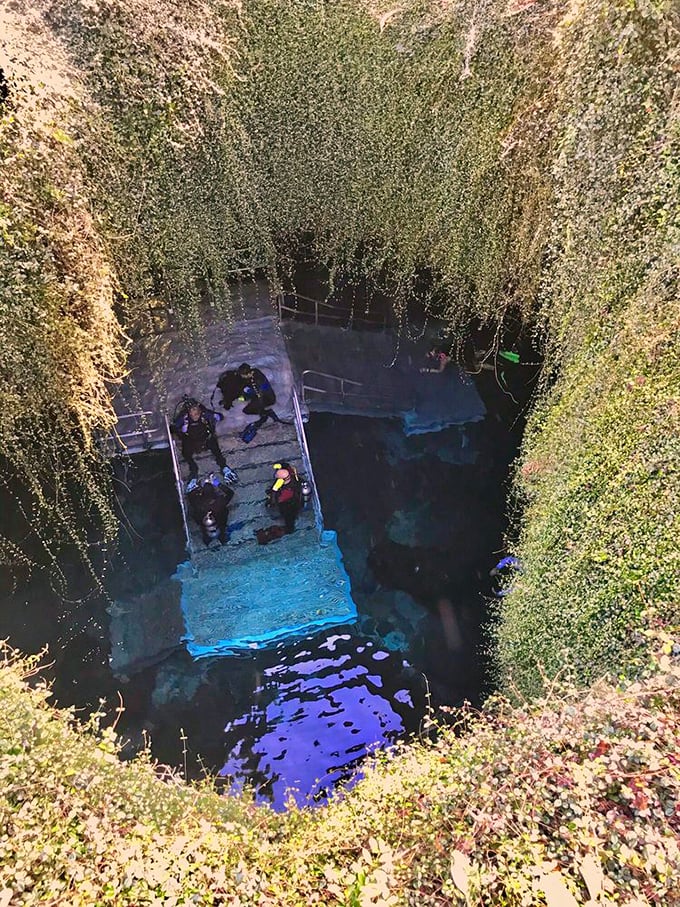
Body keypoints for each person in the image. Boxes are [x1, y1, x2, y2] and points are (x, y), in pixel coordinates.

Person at [173, 400, 231, 481]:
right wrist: (180, 429)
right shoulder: (184, 418)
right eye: (192, 414)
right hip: (190, 439)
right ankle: (193, 469)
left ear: (199, 412)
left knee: (216, 449)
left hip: (205, 437)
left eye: (196, 414)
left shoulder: (204, 414)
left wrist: (217, 416)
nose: (195, 416)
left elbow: (219, 416)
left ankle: (223, 466)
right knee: (186, 453)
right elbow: (174, 427)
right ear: (189, 413)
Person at [186, 474, 233, 549]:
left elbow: (189, 495)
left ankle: (208, 541)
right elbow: (230, 493)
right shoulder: (219, 502)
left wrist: (197, 487)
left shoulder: (197, 503)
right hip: (220, 520)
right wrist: (216, 483)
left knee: (198, 516)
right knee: (222, 520)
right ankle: (222, 539)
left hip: (204, 523)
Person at [266, 461, 302, 534]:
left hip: (290, 505)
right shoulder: (292, 476)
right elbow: (286, 465)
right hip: (294, 498)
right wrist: (280, 465)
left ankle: (289, 529)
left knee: (289, 518)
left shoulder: (286, 491)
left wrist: (274, 491)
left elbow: (277, 501)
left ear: (281, 480)